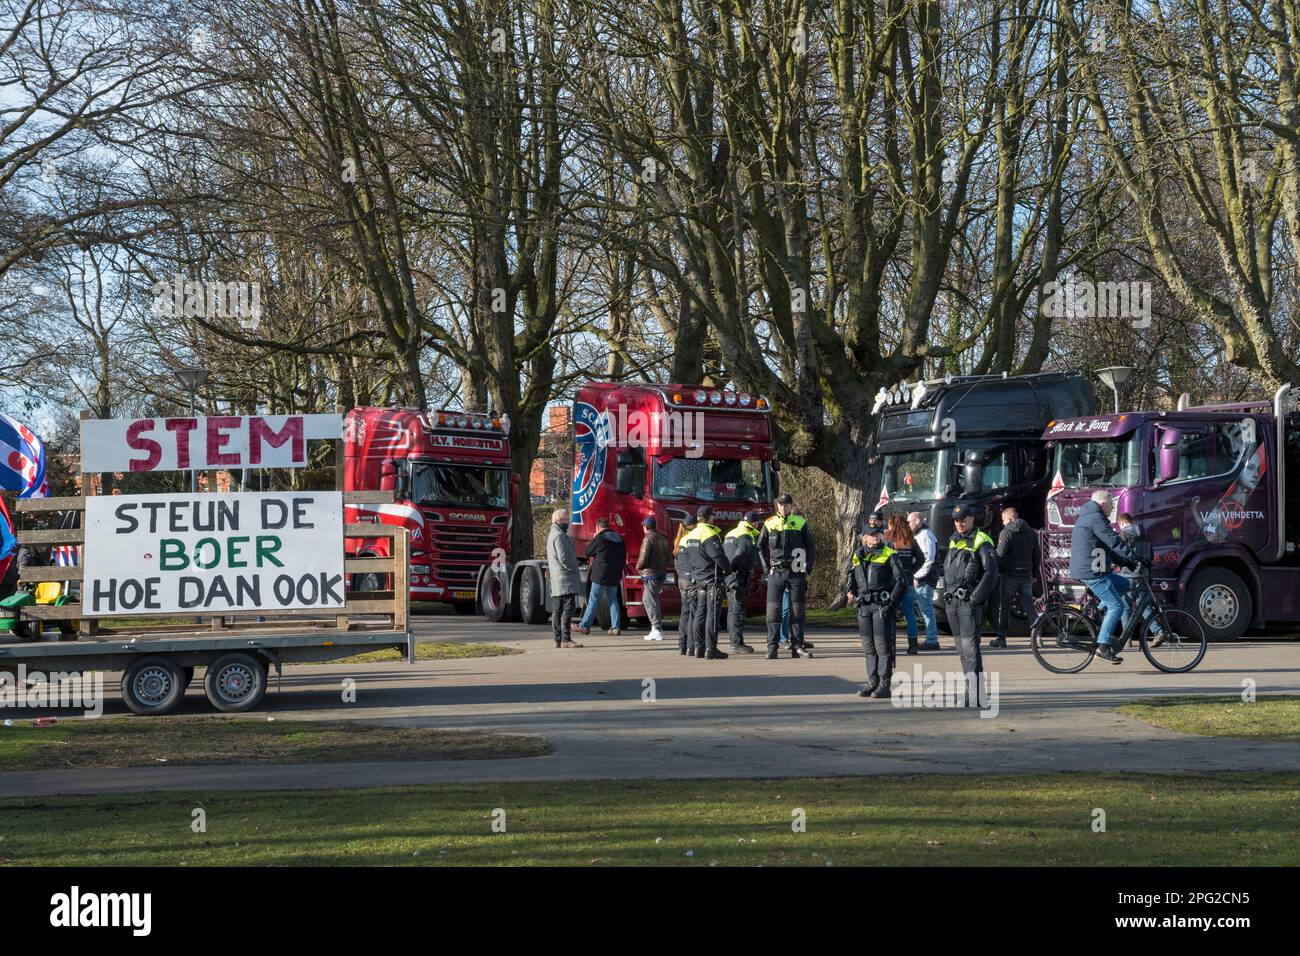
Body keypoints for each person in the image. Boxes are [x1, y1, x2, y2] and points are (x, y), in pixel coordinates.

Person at [1069, 491, 1142, 663]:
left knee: (1125, 584)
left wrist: (1126, 563)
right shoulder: (1095, 518)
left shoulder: (1092, 516)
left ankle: (1100, 612)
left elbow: (1107, 548)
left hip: (1096, 568)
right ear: (1103, 504)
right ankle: (1102, 647)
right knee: (1116, 606)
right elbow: (1113, 541)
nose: (1113, 507)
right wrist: (1135, 557)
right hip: (1091, 571)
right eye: (1111, 504)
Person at [942, 504, 999, 705]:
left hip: (968, 603)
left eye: (963, 519)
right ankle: (970, 691)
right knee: (961, 649)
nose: (960, 523)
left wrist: (976, 598)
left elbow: (991, 573)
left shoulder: (981, 540)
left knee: (970, 649)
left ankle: (977, 693)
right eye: (957, 520)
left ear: (972, 519)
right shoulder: (954, 541)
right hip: (953, 603)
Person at [846, 523, 908, 698]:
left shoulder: (890, 554)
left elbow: (902, 582)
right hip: (864, 606)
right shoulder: (858, 555)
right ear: (864, 537)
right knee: (868, 647)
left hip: (881, 606)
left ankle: (884, 684)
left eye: (877, 534)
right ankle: (872, 682)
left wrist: (891, 604)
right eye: (871, 534)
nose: (875, 537)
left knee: (883, 647)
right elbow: (853, 576)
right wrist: (850, 591)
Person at [758, 493, 815, 659]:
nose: (783, 507)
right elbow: (759, 547)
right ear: (777, 506)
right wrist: (765, 570)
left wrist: (807, 568)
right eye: (781, 505)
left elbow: (811, 548)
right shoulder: (769, 524)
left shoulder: (800, 523)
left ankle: (797, 645)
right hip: (776, 573)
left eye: (786, 505)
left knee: (797, 611)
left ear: (791, 506)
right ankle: (772, 647)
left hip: (796, 572)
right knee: (773, 612)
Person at [677, 505, 731, 659]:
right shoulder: (709, 533)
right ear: (710, 517)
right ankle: (711, 648)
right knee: (712, 614)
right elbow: (718, 556)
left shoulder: (692, 535)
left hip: (698, 579)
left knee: (700, 613)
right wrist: (728, 570)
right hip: (711, 579)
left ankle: (698, 647)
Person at [992, 506, 1040, 648]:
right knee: (1029, 606)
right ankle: (1037, 638)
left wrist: (998, 570)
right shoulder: (1031, 532)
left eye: (1004, 520)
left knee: (1005, 606)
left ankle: (1001, 638)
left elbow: (1000, 555)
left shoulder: (1006, 532)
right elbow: (1036, 554)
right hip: (1026, 574)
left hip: (1009, 575)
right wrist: (1034, 574)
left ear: (1010, 518)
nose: (1003, 523)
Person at [578, 517, 626, 635]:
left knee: (594, 600)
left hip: (600, 575)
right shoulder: (620, 539)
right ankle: (615, 627)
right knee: (613, 601)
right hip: (615, 575)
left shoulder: (600, 539)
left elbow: (587, 552)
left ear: (598, 527)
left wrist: (594, 538)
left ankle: (584, 626)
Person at [722, 510, 761, 654]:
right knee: (738, 610)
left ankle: (734, 641)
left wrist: (727, 571)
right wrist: (735, 572)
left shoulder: (730, 533)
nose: (757, 525)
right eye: (757, 523)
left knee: (732, 610)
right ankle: (737, 643)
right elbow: (741, 553)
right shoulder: (746, 534)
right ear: (753, 523)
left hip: (730, 577)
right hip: (738, 577)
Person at [546, 508, 583, 648]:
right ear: (558, 520)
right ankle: (566, 639)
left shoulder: (553, 534)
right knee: (568, 608)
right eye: (566, 520)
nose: (568, 523)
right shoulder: (559, 536)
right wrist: (573, 568)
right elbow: (564, 558)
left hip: (557, 580)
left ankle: (558, 639)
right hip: (565, 579)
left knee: (557, 610)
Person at [885, 513, 920, 655]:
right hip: (908, 581)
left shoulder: (889, 540)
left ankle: (891, 643)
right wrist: (911, 570)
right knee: (909, 613)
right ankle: (913, 645)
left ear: (892, 525)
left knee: (891, 612)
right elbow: (921, 559)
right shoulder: (911, 540)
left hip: (894, 582)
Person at [908, 511, 940, 649]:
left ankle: (932, 640)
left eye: (909, 521)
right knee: (925, 608)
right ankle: (931, 639)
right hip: (923, 577)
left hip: (925, 578)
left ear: (917, 521)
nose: (907, 524)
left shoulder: (925, 536)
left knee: (926, 609)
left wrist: (916, 576)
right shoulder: (920, 535)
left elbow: (928, 560)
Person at [636, 516, 671, 641]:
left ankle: (656, 629)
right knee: (651, 600)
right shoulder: (663, 538)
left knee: (650, 601)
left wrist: (638, 567)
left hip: (650, 574)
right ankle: (656, 628)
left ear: (646, 527)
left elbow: (643, 557)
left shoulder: (648, 539)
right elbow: (668, 558)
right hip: (661, 573)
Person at [675, 513, 699, 656]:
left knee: (684, 613)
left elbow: (676, 563)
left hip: (682, 580)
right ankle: (691, 645)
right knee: (694, 614)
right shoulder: (692, 539)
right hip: (692, 580)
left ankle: (681, 645)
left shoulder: (679, 540)